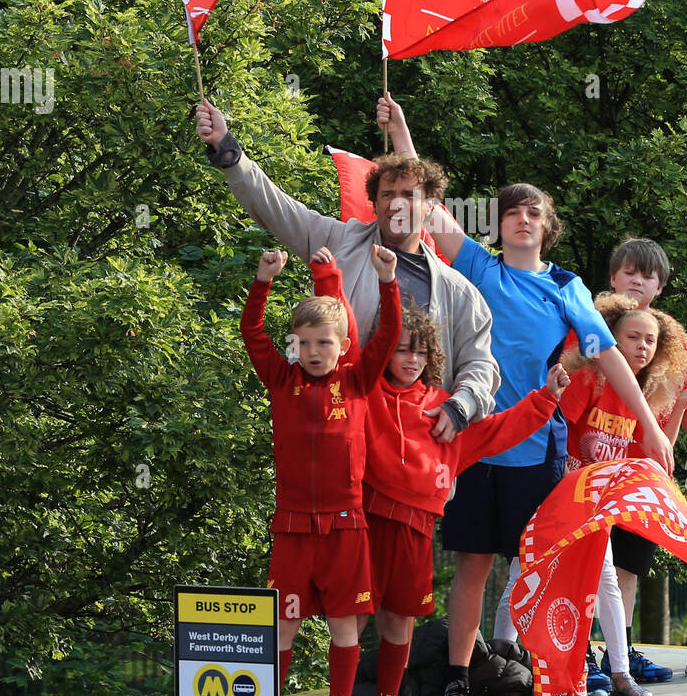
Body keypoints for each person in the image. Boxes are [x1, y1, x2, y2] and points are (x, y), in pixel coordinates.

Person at [379, 96, 675, 696]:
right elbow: (426, 203)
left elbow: (610, 358)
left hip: (538, 446)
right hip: (474, 439)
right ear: (499, 225)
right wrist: (401, 128)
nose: (521, 219)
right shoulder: (478, 267)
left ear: (548, 226)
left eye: (532, 213)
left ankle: (548, 682)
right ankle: (458, 682)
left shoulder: (567, 287)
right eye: (511, 211)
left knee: (541, 567)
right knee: (472, 565)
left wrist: (650, 425)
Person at [314, 258, 571, 696]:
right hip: (365, 525)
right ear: (385, 353)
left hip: (415, 531)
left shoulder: (444, 409)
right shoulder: (363, 393)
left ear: (431, 357)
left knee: (399, 621)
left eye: (419, 352)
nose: (409, 359)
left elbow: (499, 431)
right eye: (400, 350)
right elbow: (345, 346)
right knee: (352, 617)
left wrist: (547, 398)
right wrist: (330, 279)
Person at [196, 98, 498, 442]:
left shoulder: (457, 291)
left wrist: (461, 405)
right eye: (387, 194)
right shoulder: (339, 241)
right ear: (375, 203)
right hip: (337, 432)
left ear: (430, 208)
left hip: (413, 446)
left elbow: (480, 363)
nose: (396, 202)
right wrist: (228, 151)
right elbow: (276, 208)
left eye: (408, 195)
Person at [240, 243, 401, 696]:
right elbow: (251, 332)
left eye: (323, 343)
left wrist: (387, 281)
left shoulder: (358, 381)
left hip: (345, 528)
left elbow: (390, 334)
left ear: (343, 345)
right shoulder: (280, 378)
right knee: (282, 626)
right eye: (304, 343)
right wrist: (263, 281)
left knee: (343, 628)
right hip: (291, 528)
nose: (313, 352)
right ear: (294, 345)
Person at [559, 296, 687, 696]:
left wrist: (682, 407)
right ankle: (566, 660)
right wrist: (563, 482)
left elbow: (659, 454)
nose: (642, 346)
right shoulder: (590, 378)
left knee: (605, 578)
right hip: (571, 495)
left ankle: (616, 669)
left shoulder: (647, 394)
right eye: (632, 337)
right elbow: (557, 424)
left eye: (651, 340)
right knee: (552, 577)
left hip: (602, 504)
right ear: (610, 339)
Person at [595, 238, 687, 685]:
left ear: (660, 287)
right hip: (596, 465)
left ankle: (618, 653)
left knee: (628, 565)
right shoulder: (591, 326)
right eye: (630, 273)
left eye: (649, 276)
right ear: (613, 279)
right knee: (591, 564)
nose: (639, 281)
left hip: (643, 468)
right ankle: (582, 651)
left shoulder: (671, 339)